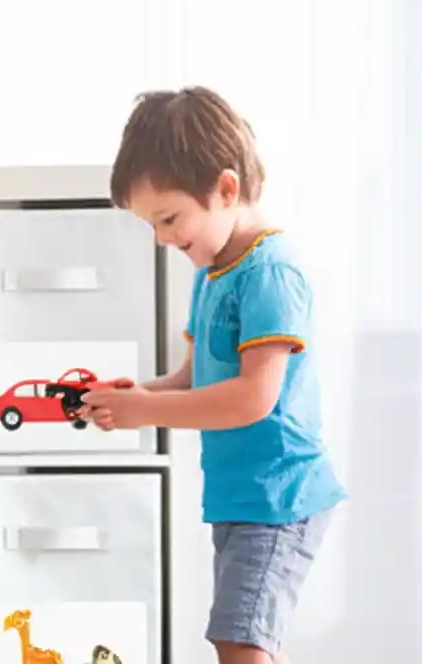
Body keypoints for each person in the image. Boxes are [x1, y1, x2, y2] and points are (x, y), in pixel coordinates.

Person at [82, 86, 346, 664]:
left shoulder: (271, 273)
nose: (162, 238)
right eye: (152, 224)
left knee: (242, 640)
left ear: (226, 189)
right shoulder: (213, 272)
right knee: (238, 634)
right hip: (239, 495)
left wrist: (144, 412)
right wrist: (132, 394)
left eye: (170, 218)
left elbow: (253, 397)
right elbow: (193, 378)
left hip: (280, 494)